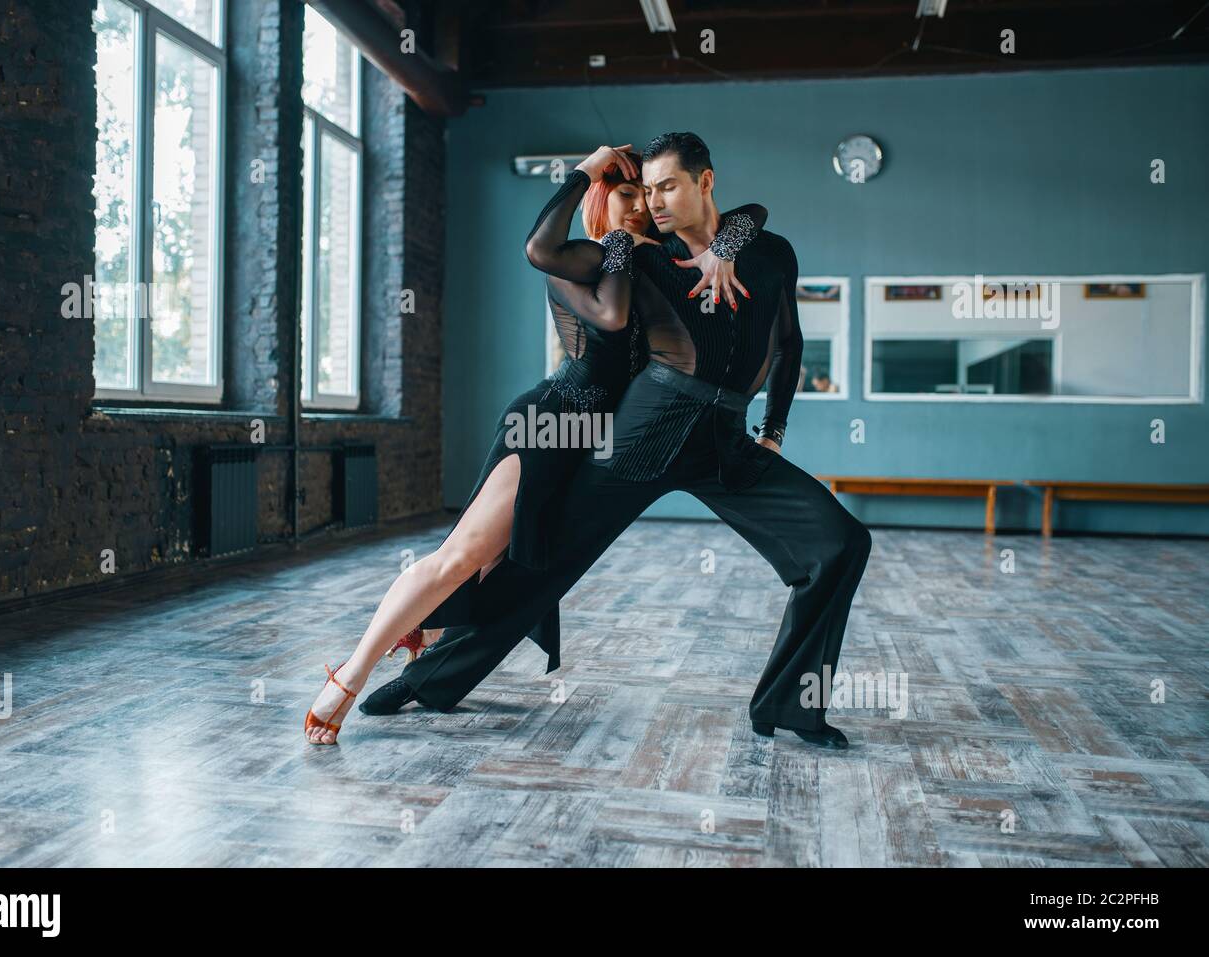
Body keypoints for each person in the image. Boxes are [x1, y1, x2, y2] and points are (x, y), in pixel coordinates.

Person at [362, 132, 872, 750]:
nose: (653, 201)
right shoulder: (641, 254)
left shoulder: (769, 253)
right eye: (647, 188)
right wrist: (585, 172)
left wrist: (774, 430)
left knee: (841, 542)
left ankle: (788, 706)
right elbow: (542, 249)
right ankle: (425, 678)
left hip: (726, 441)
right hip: (644, 431)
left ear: (705, 182)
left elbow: (787, 341)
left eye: (667, 186)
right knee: (545, 563)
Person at [303, 143, 768, 744]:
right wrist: (590, 171)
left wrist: (722, 247)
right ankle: (350, 674)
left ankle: (426, 638)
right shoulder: (583, 259)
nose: (639, 208)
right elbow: (589, 295)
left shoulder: (656, 260)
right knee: (461, 557)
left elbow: (754, 211)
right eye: (625, 195)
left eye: (645, 198)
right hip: (553, 424)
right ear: (600, 203)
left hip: (595, 439)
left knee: (499, 566)